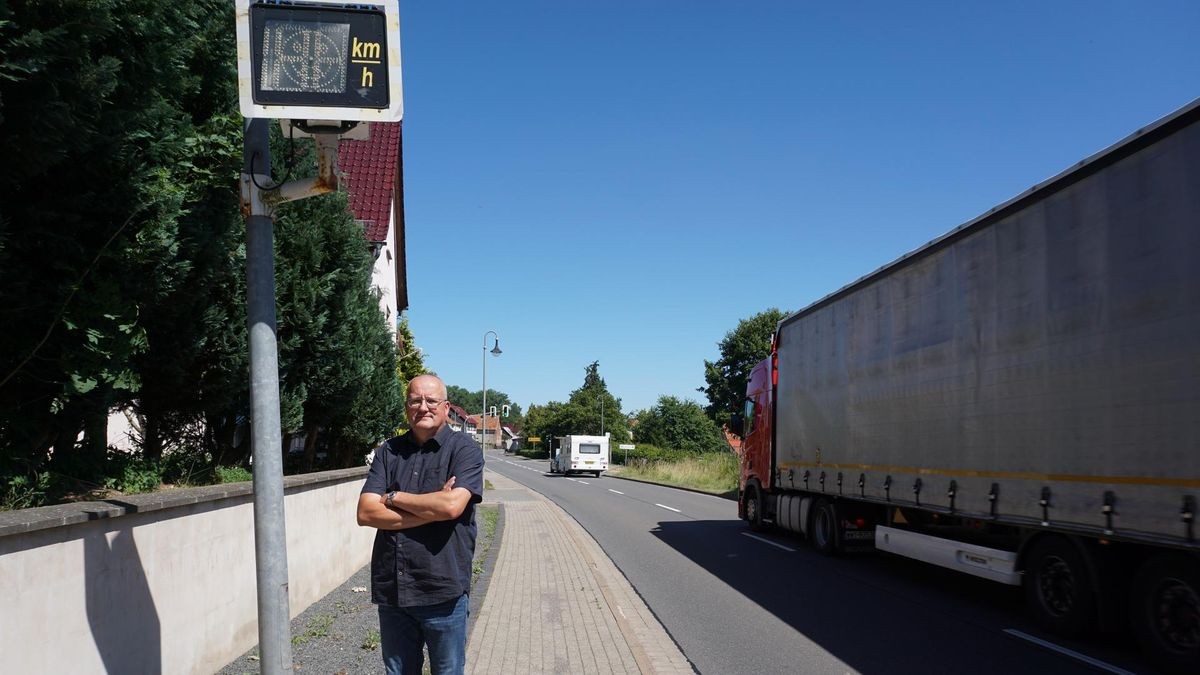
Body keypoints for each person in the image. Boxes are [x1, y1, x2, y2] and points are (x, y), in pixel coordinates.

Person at [357, 374, 485, 675]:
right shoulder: (389, 451)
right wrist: (432, 509)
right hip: (395, 593)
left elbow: (452, 506)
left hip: (442, 592)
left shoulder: (464, 451)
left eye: (431, 401)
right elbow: (365, 513)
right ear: (407, 407)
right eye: (415, 400)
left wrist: (393, 496)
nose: (423, 407)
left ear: (446, 407)